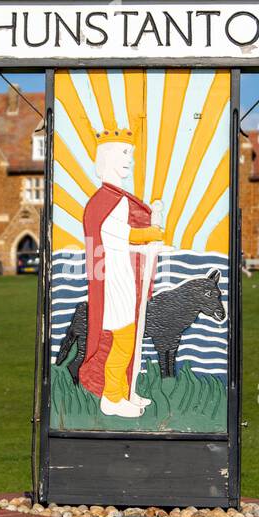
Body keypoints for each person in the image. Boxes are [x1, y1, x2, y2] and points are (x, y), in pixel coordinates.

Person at [78, 129, 164, 418]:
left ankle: (125, 391)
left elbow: (120, 235)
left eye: (132, 154)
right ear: (108, 155)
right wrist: (150, 232)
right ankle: (111, 398)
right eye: (125, 153)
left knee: (128, 337)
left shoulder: (117, 198)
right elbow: (116, 233)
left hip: (121, 275)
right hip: (112, 279)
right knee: (122, 338)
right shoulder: (105, 199)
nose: (131, 160)